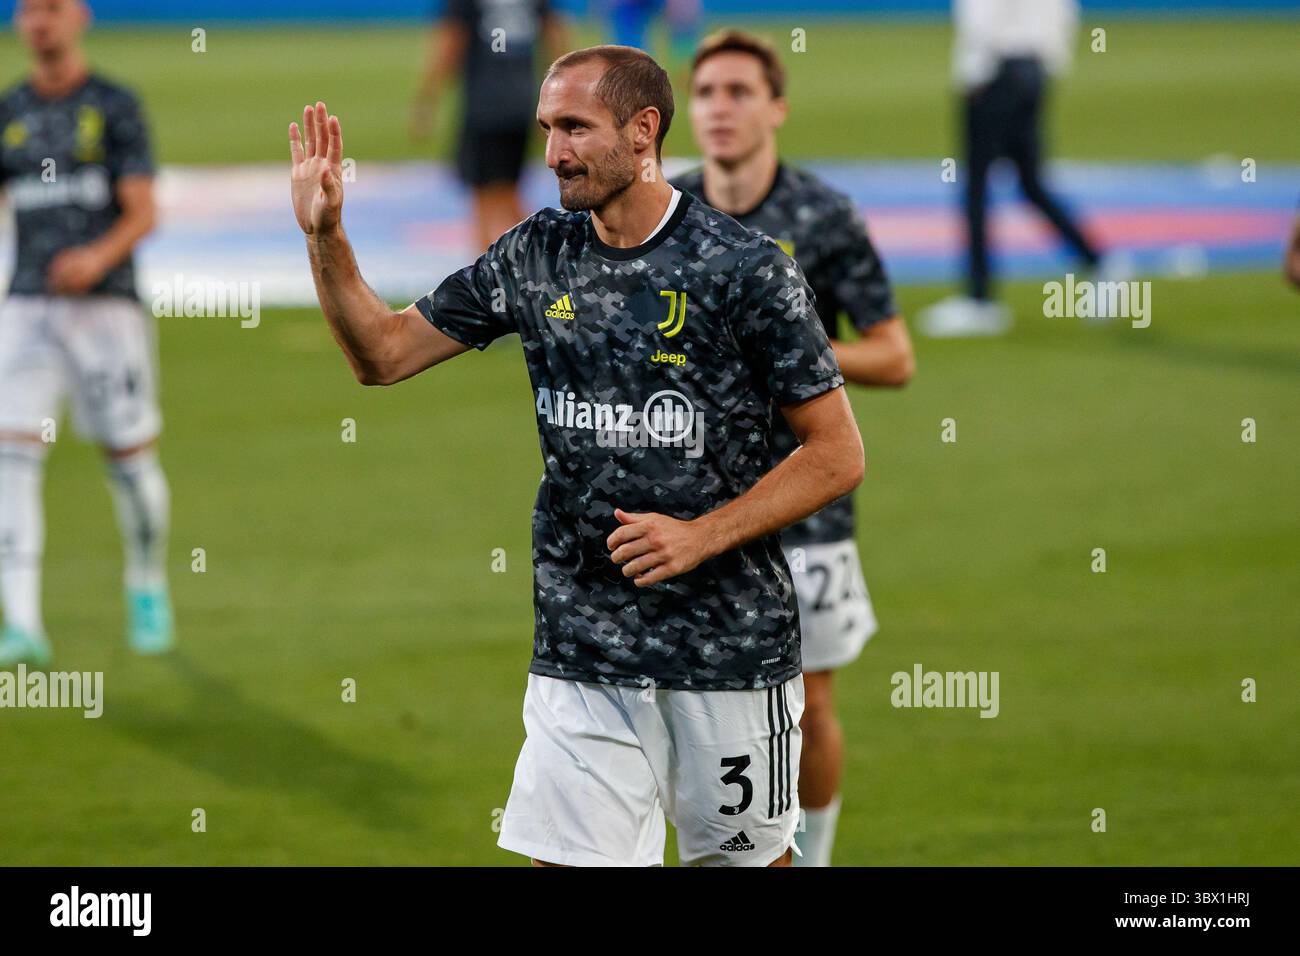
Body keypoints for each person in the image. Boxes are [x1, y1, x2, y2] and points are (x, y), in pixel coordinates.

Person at [289, 44, 865, 866]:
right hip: (582, 646)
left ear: (642, 131)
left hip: (728, 648)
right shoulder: (535, 254)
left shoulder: (745, 270)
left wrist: (700, 534)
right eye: (547, 128)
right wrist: (326, 234)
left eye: (574, 128)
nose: (554, 151)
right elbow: (381, 355)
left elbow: (837, 453)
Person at [677, 29, 913, 866]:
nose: (720, 109)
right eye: (705, 93)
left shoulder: (822, 215)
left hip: (806, 503)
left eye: (740, 91)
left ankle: (811, 859)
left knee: (807, 706)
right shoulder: (665, 215)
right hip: (691, 507)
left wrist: (791, 356)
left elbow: (895, 355)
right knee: (689, 706)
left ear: (776, 107)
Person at [0, 0, 172, 667]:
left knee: (129, 464)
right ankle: (21, 621)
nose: (39, 21)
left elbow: (144, 211)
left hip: (107, 312)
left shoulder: (114, 106)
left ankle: (146, 580)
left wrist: (96, 258)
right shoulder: (9, 110)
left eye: (52, 8)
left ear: (80, 17)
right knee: (11, 462)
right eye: (28, 10)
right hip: (27, 311)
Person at [920, 0, 1107, 337]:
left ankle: (980, 300)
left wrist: (973, 76)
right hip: (1032, 71)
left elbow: (980, 18)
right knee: (1030, 182)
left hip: (996, 73)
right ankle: (1098, 263)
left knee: (976, 187)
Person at [410, 0, 569, 254]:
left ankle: (489, 279)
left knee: (483, 197)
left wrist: (428, 98)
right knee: (509, 193)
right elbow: (554, 32)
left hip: (485, 103)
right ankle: (546, 261)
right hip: (523, 99)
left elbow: (452, 41)